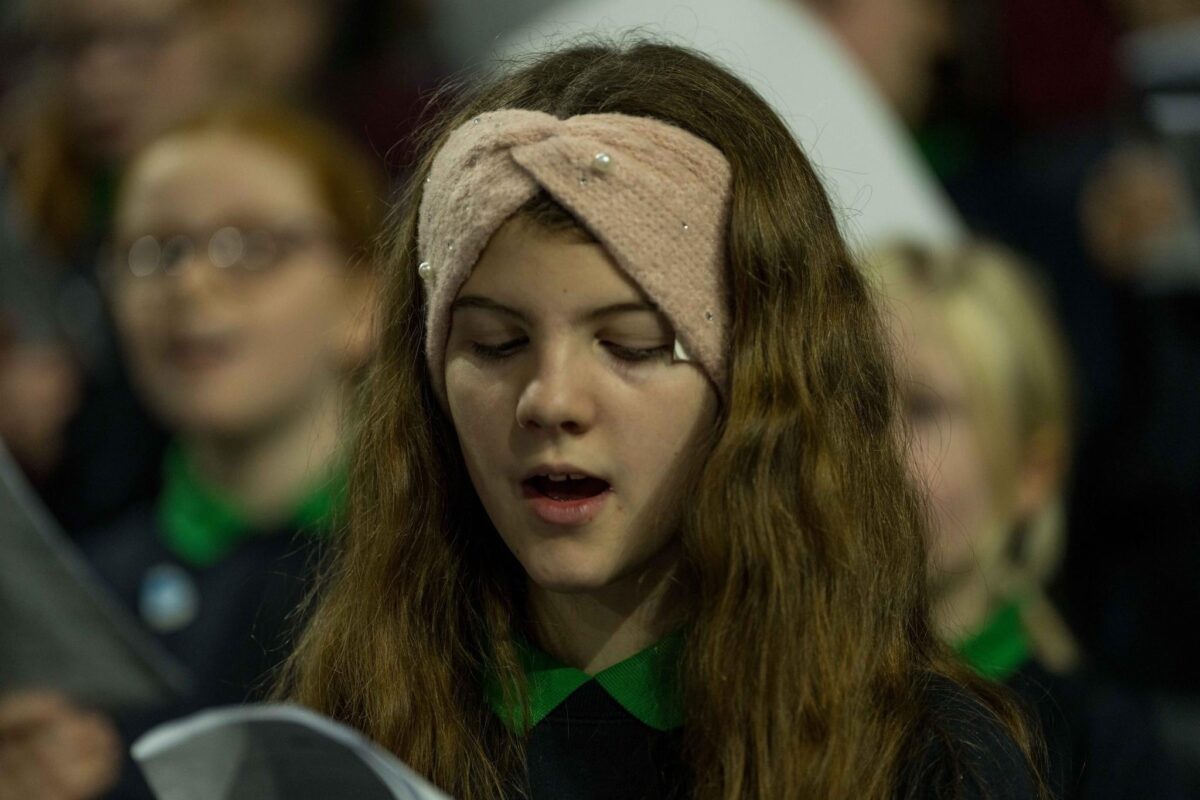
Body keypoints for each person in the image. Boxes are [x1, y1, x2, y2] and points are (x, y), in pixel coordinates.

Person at [276, 41, 1041, 800]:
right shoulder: (349, 736)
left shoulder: (922, 762)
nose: (550, 400)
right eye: (495, 343)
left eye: (632, 347)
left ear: (756, 386)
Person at [0, 103, 381, 799]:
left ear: (366, 298)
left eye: (250, 247)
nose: (191, 284)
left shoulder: (442, 563)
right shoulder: (75, 604)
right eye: (155, 252)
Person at [866, 240, 1189, 800]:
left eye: (922, 407)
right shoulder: (743, 684)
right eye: (857, 398)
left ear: (1031, 474)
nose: (868, 445)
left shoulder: (1098, 750)